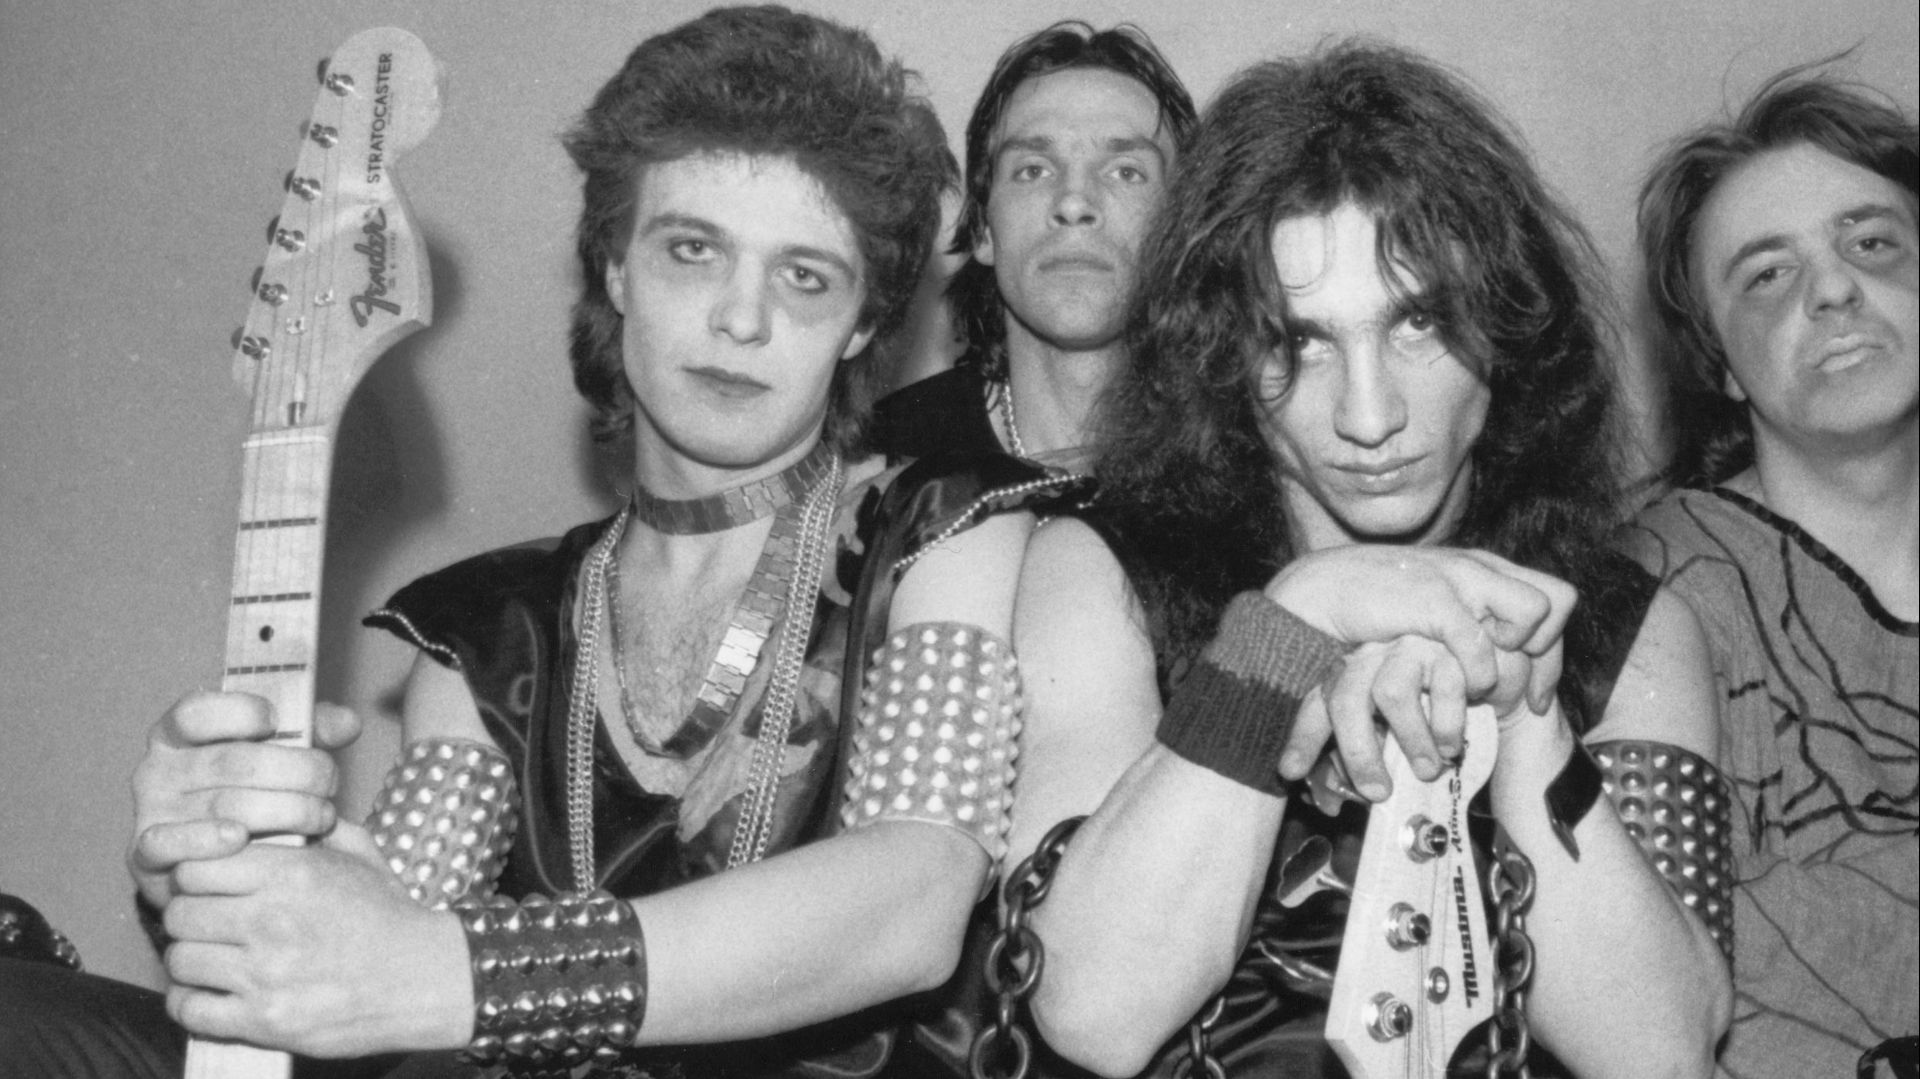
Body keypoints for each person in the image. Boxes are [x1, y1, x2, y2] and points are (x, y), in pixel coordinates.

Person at [0, 7, 1082, 1076]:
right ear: (614, 267)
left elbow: (908, 901)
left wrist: (454, 973)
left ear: (862, 325)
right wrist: (218, 873)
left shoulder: (940, 530)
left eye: (805, 277)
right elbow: (369, 970)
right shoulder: (487, 631)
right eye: (693, 250)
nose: (742, 319)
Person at [1004, 41, 1734, 1078]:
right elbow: (1092, 1008)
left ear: (1509, 327)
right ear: (1221, 357)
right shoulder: (1100, 571)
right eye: (1299, 341)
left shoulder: (1634, 625)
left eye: (1419, 323)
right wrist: (1293, 622)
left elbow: (1661, 1051)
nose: (1369, 412)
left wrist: (1524, 707)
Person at [1631, 63, 1917, 1079]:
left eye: (1871, 242)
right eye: (1767, 274)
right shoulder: (1658, 596)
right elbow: (1652, 1014)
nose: (1834, 289)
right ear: (1714, 360)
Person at [869, 21, 1194, 470]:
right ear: (983, 230)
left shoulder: (1250, 465)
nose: (1074, 203)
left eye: (1125, 172)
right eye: (1034, 170)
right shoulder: (882, 461)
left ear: (1181, 229)